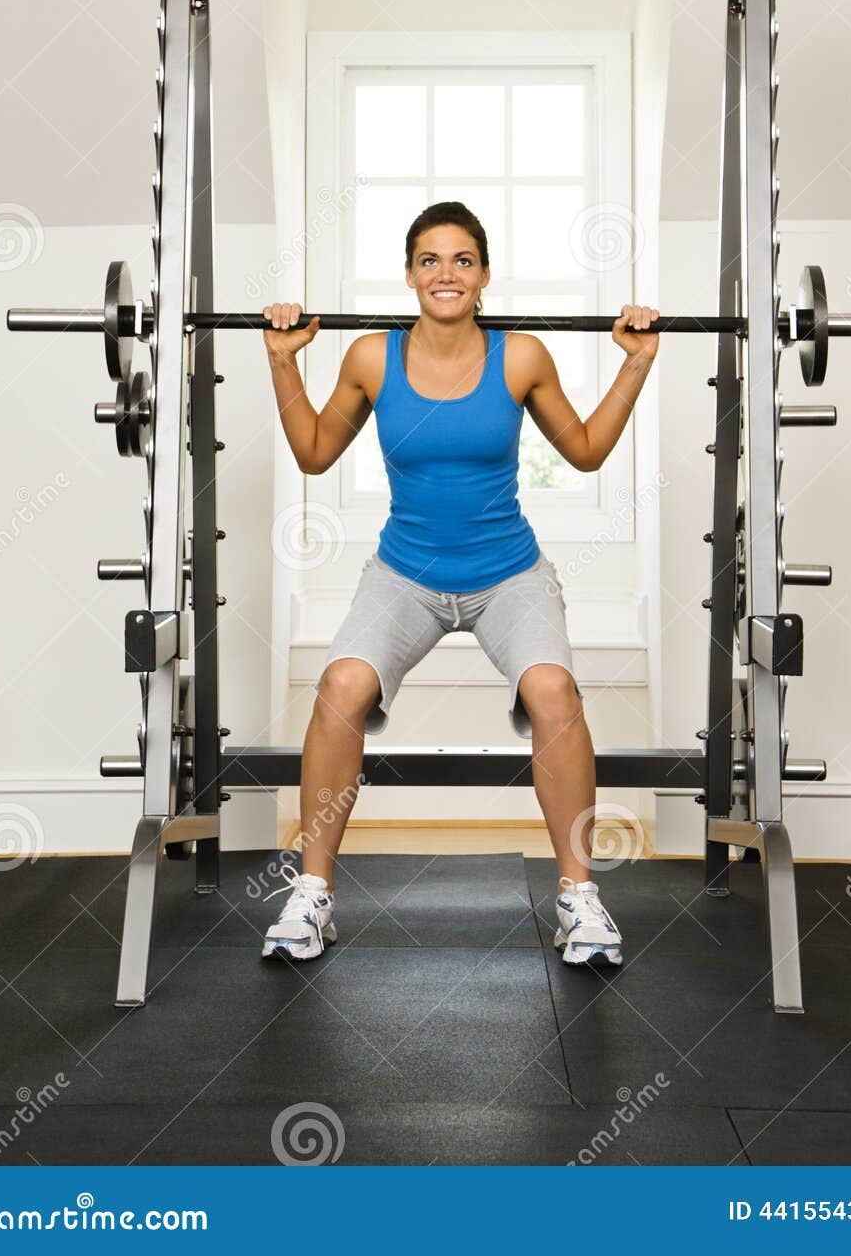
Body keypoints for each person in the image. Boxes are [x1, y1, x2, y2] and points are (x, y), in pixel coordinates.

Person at [258, 200, 659, 969]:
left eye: (462, 260)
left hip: (508, 576)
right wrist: (281, 359)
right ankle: (311, 894)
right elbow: (312, 454)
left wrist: (634, 362)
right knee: (340, 687)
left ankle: (578, 899)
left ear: (483, 276)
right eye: (430, 260)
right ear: (408, 274)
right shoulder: (372, 359)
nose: (446, 274)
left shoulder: (521, 357)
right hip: (403, 576)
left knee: (553, 694)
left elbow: (584, 452)